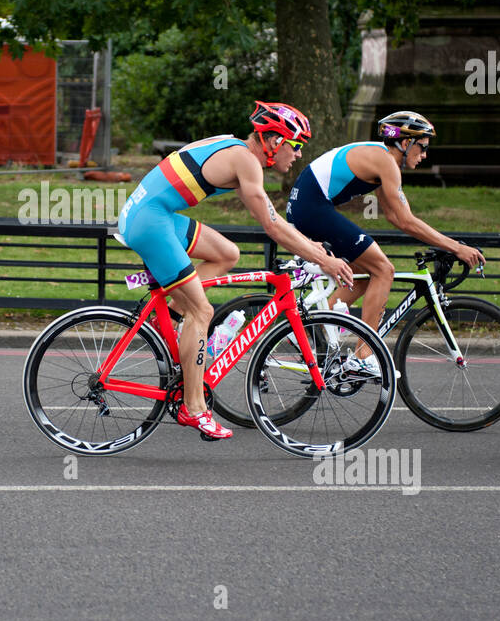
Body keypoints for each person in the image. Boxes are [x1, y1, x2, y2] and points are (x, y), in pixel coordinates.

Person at [117, 102, 354, 440]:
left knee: (227, 253)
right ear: (274, 141)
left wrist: (314, 249)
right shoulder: (245, 160)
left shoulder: (240, 154)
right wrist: (324, 260)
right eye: (296, 146)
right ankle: (194, 408)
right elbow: (273, 227)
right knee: (202, 311)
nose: (298, 155)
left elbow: (275, 220)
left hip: (154, 214)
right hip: (150, 222)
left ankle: (168, 316)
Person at [285, 111, 485, 376]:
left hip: (308, 207)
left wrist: (449, 244)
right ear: (405, 143)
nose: (424, 155)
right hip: (312, 209)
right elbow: (406, 220)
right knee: (384, 270)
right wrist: (456, 247)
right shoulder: (386, 162)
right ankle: (363, 355)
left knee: (366, 274)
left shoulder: (380, 159)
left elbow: (394, 216)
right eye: (422, 147)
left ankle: (310, 325)